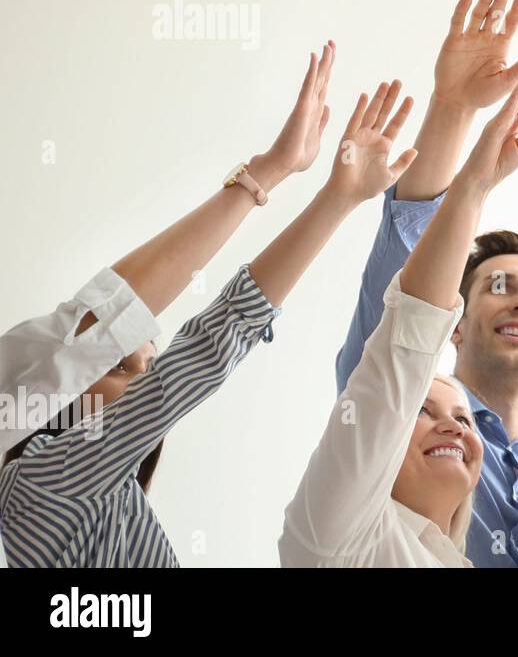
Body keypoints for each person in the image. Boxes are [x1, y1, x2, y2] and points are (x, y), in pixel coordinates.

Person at [0, 62, 419, 567]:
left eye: (147, 367)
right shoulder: (48, 481)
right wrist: (331, 197)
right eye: (118, 365)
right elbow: (206, 343)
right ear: (58, 382)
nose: (141, 381)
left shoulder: (92, 497)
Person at [333, 0, 518, 567]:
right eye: (499, 285)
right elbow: (402, 287)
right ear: (455, 325)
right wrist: (455, 110)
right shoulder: (398, 414)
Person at [281, 67, 518, 567]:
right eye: (422, 410)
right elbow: (406, 342)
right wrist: (464, 155)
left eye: (464, 419)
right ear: (459, 324)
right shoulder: (342, 534)